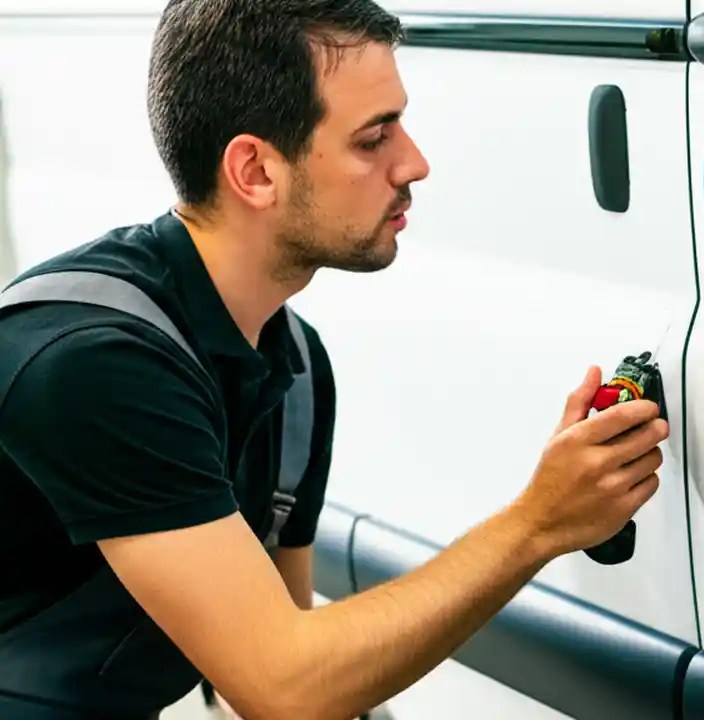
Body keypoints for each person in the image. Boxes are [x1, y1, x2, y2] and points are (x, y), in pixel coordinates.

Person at [0, 1, 668, 718]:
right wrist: (539, 522)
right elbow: (287, 686)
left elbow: (299, 662)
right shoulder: (94, 363)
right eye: (373, 138)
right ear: (254, 170)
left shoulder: (292, 369)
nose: (414, 162)